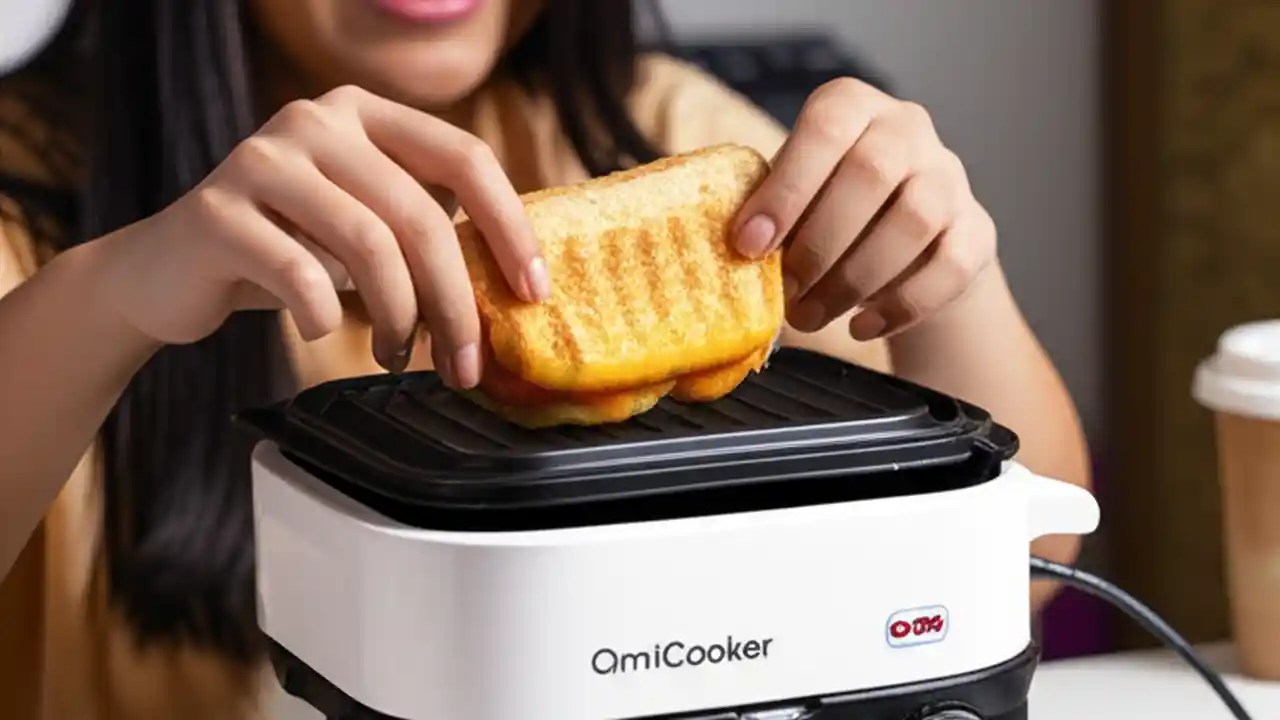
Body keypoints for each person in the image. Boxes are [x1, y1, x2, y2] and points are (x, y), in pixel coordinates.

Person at [0, 0, 1091, 717]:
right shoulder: (26, 199)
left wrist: (952, 264)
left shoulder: (650, 133)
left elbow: (1020, 571)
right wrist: (111, 291)